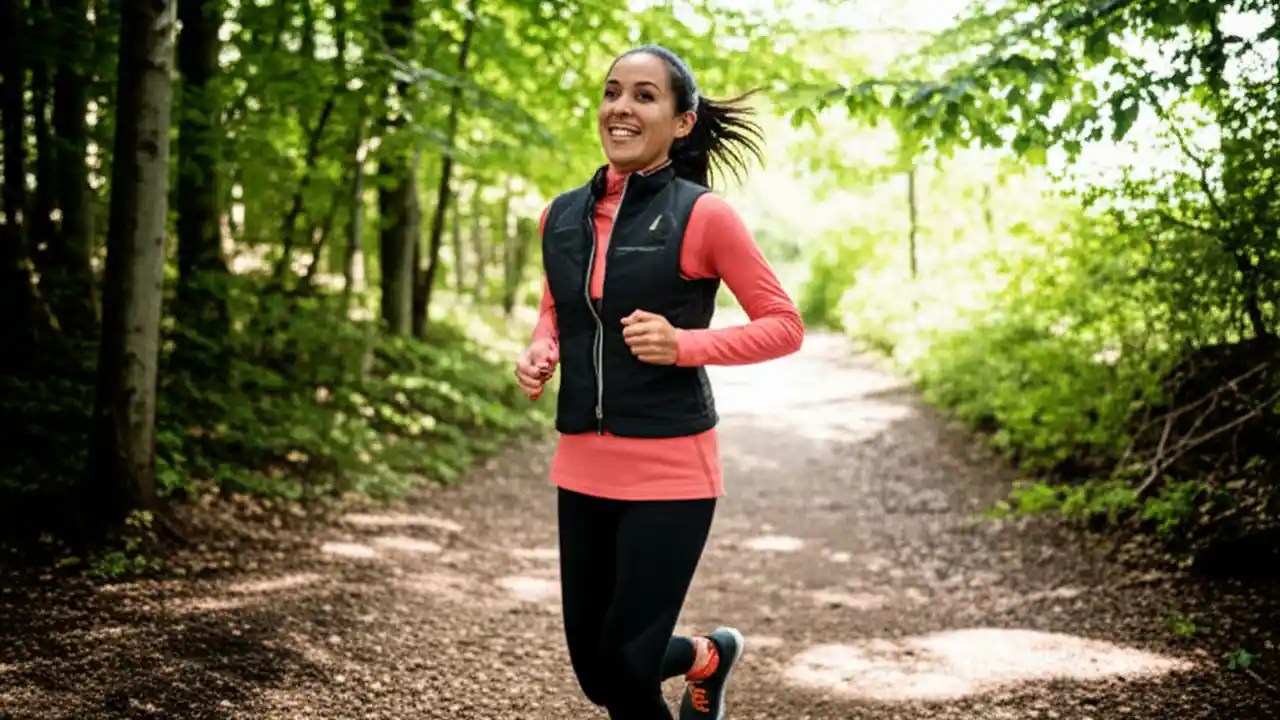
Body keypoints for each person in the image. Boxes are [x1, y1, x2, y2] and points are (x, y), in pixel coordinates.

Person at [514, 43, 804, 720]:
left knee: (627, 668)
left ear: (681, 121)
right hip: (581, 468)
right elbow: (557, 307)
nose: (622, 107)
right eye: (614, 91)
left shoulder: (703, 216)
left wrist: (684, 346)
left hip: (671, 468)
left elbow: (783, 324)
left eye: (645, 96)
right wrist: (538, 349)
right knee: (598, 674)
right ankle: (708, 655)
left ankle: (692, 659)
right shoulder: (558, 216)